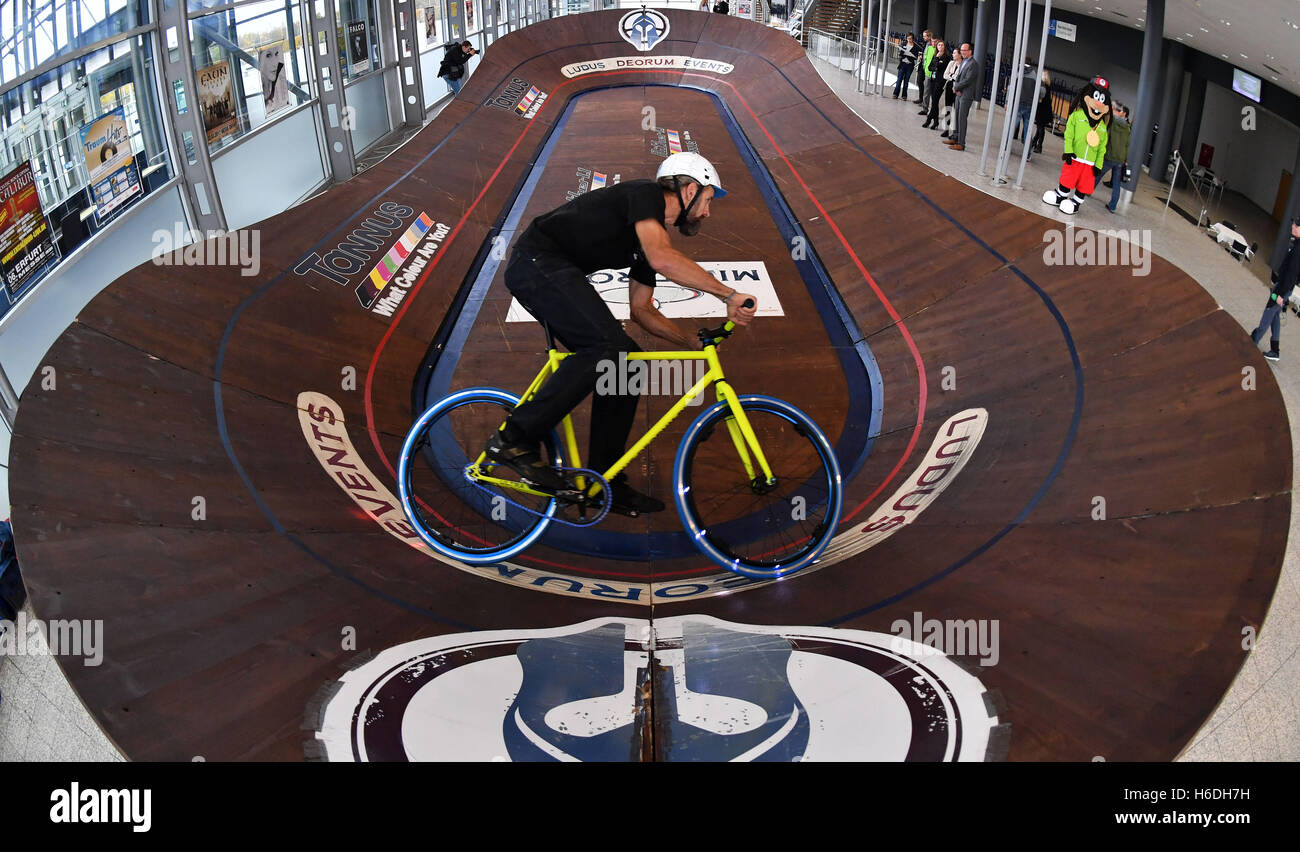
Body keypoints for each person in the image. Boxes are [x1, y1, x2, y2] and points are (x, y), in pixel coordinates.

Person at [484, 152, 757, 513]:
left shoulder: (648, 243)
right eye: (707, 201)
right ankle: (513, 439)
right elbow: (663, 259)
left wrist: (689, 341)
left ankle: (602, 480)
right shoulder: (646, 195)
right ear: (689, 189)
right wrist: (729, 293)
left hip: (554, 269)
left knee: (627, 362)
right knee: (605, 346)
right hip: (536, 262)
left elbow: (641, 311)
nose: (707, 213)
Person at [1250, 218, 1300, 362]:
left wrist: (1279, 294)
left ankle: (1252, 342)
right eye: (1294, 224)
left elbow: (1291, 276)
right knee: (1275, 316)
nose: (1293, 226)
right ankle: (1275, 351)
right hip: (1284, 288)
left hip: (1282, 289)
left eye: (1297, 225)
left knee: (1268, 313)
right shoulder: (1296, 245)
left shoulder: (1298, 250)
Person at [946, 43, 979, 151]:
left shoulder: (973, 64)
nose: (962, 52)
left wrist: (956, 87)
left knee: (962, 119)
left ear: (970, 51)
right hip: (959, 93)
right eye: (961, 50)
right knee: (957, 117)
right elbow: (959, 76)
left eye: (964, 50)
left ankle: (961, 143)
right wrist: (957, 88)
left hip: (966, 95)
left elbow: (968, 80)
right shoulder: (964, 61)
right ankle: (955, 137)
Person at [1101, 102, 1132, 213]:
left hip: (1110, 156)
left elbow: (1106, 138)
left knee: (1098, 174)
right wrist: (1125, 159)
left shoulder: (1112, 124)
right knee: (1117, 184)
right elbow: (1127, 145)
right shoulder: (1127, 128)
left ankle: (1087, 192)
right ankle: (1113, 206)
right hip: (1120, 159)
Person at [921, 41, 950, 130]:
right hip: (933, 80)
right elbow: (930, 67)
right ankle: (935, 121)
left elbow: (940, 67)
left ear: (944, 47)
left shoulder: (946, 57)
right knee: (934, 101)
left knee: (934, 101)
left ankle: (929, 119)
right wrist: (936, 64)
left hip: (940, 82)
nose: (940, 46)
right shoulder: (935, 55)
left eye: (942, 45)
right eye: (938, 45)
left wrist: (937, 62)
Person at [938, 43, 961, 138]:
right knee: (948, 108)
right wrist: (952, 76)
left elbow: (958, 77)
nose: (953, 54)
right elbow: (945, 75)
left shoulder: (963, 65)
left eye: (955, 53)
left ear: (959, 55)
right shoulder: (951, 63)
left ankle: (955, 132)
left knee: (956, 110)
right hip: (949, 86)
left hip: (957, 88)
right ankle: (946, 130)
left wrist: (951, 75)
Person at [1032, 71, 1053, 154]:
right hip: (1045, 110)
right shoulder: (1048, 86)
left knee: (1040, 128)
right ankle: (1034, 142)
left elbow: (1042, 99)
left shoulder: (1043, 86)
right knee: (1040, 128)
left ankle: (1039, 146)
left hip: (1042, 110)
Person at [893, 33, 919, 100]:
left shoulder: (916, 46)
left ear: (913, 39)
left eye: (910, 38)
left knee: (906, 81)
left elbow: (916, 56)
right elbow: (900, 54)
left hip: (910, 65)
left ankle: (904, 95)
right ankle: (895, 94)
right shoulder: (904, 44)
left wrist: (911, 55)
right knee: (899, 80)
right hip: (902, 64)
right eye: (908, 38)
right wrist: (901, 52)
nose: (909, 40)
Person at [916, 30, 935, 108]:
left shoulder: (932, 46)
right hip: (923, 65)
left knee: (928, 87)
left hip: (928, 69)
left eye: (925, 36)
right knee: (919, 81)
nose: (923, 37)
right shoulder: (925, 43)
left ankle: (925, 103)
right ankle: (921, 99)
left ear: (929, 36)